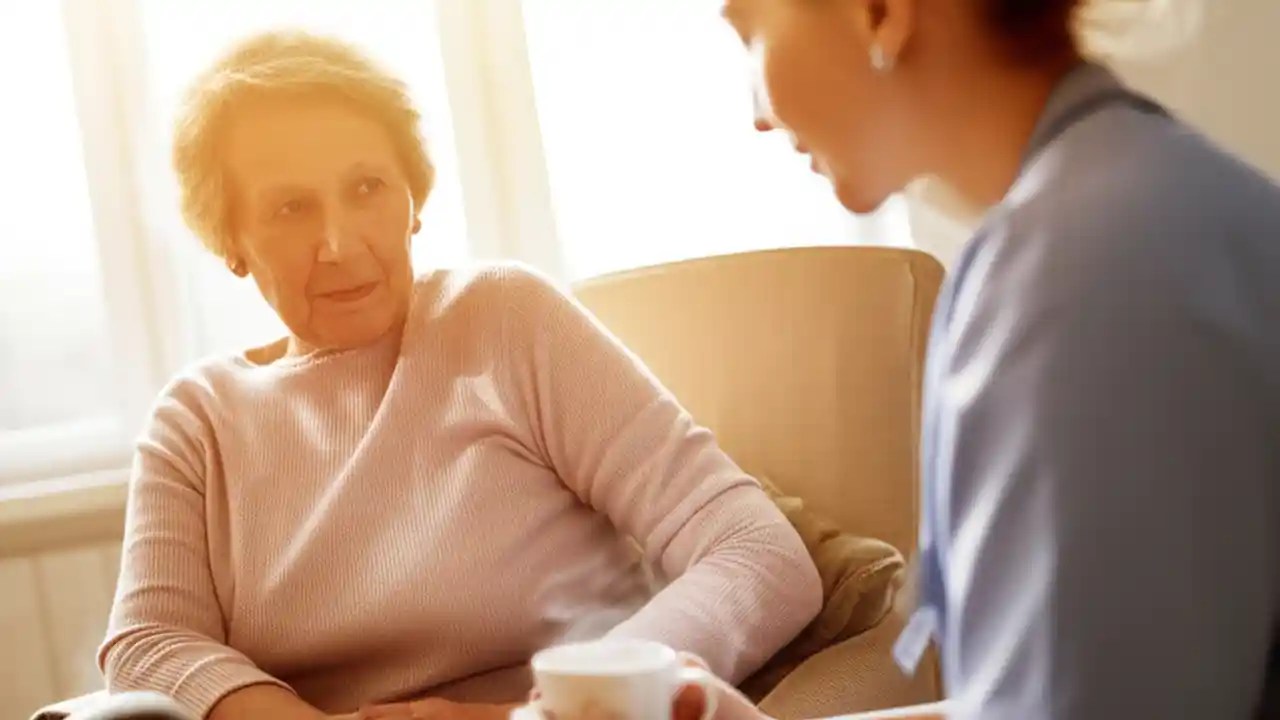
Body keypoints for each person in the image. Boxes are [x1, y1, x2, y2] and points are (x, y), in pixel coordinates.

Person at [97, 30, 823, 720]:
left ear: (414, 201)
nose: (340, 243)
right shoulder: (195, 419)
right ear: (231, 239)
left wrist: (554, 712)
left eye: (368, 188)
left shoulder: (504, 319)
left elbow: (756, 553)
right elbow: (148, 647)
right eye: (291, 207)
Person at [648, 0, 1279, 717]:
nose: (758, 112)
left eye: (750, 31)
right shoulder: (1109, 214)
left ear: (878, 12)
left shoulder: (1083, 274)